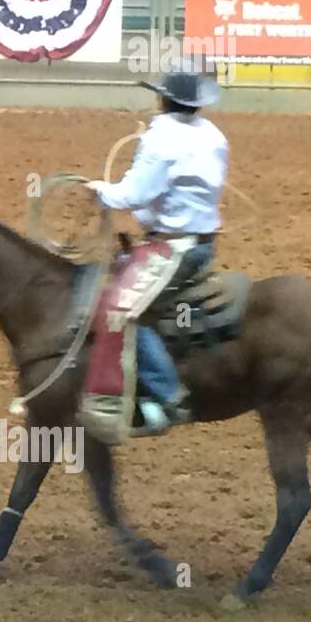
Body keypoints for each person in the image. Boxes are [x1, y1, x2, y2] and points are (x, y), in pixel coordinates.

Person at [86, 70, 229, 432]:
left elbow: (132, 195)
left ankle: (168, 397)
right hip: (202, 243)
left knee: (120, 310)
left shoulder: (160, 138)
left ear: (163, 100)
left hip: (173, 249)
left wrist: (99, 190)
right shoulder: (214, 136)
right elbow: (176, 195)